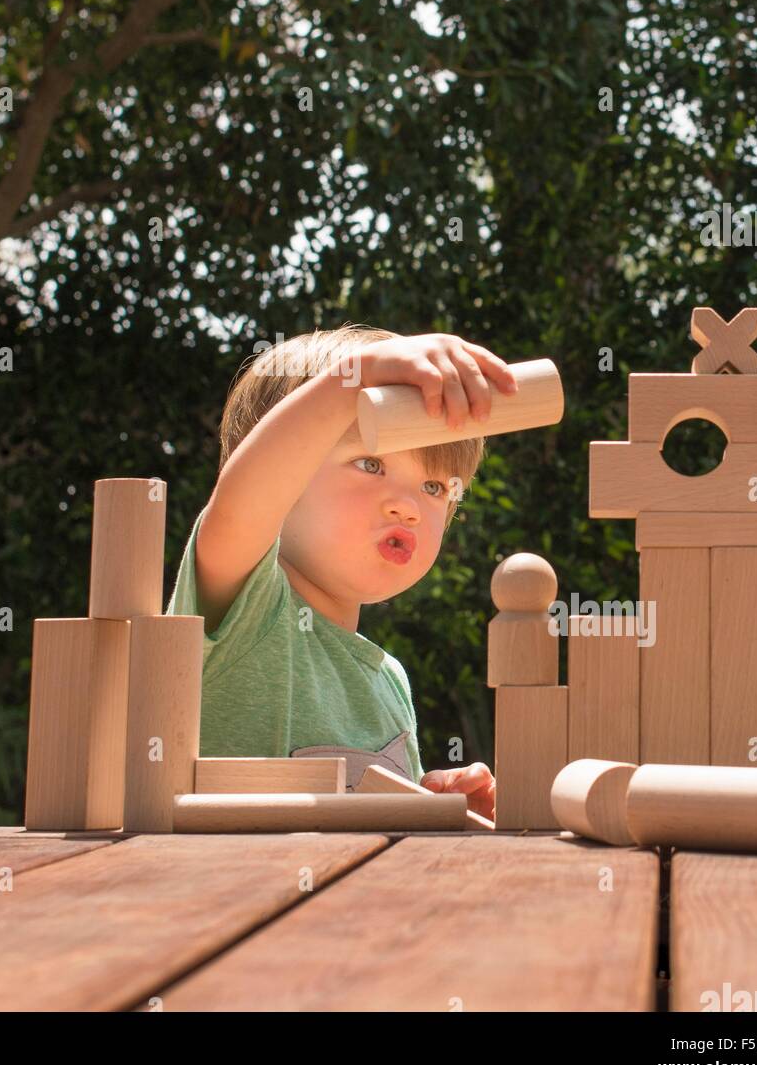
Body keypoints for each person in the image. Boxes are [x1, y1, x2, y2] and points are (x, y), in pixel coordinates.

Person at [166, 325, 519, 820]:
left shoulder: (389, 682)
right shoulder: (247, 610)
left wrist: (439, 810)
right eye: (371, 464)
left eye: (436, 487)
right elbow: (241, 505)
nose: (409, 507)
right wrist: (354, 381)